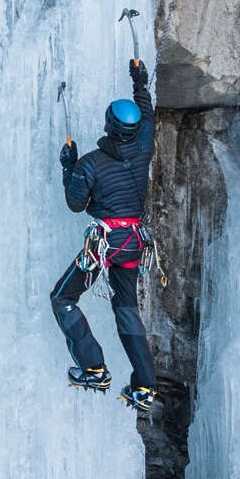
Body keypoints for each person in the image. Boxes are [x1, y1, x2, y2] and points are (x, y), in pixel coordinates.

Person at [52, 58, 158, 412]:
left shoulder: (92, 163)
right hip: (133, 244)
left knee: (63, 298)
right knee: (126, 309)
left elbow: (75, 203)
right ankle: (144, 386)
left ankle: (93, 367)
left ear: (108, 126)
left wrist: (69, 167)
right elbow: (148, 116)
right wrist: (140, 83)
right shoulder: (144, 148)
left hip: (105, 245)